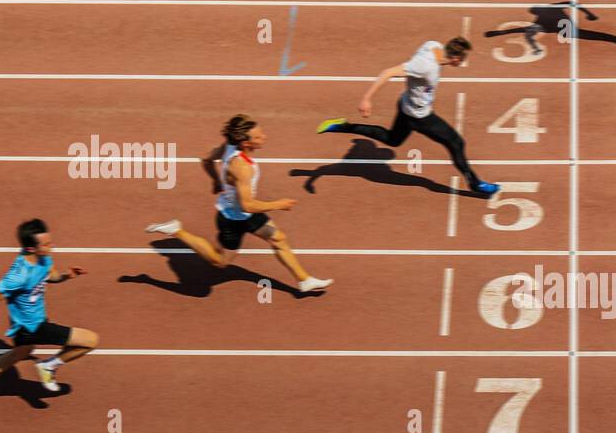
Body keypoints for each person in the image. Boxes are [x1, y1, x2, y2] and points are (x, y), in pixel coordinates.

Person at [145, 115, 333, 292]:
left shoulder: (229, 146)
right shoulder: (242, 168)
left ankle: (304, 280)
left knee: (279, 239)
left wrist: (216, 181)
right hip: (232, 220)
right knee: (220, 262)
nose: (264, 137)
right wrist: (278, 204)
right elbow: (247, 206)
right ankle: (176, 230)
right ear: (246, 143)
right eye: (259, 136)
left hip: (245, 214)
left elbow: (207, 160)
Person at [317, 36, 500, 196]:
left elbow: (411, 65)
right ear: (455, 58)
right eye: (463, 59)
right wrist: (367, 98)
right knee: (456, 142)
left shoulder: (432, 45)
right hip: (419, 117)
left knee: (393, 140)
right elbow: (388, 72)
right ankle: (475, 183)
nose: (463, 62)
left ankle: (342, 126)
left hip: (406, 105)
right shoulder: (424, 66)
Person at [0, 218, 98, 408]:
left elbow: (50, 275)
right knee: (90, 341)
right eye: (47, 244)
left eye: (50, 241)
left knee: (21, 352)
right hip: (31, 327)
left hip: (27, 324)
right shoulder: (18, 276)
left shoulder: (43, 258)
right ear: (31, 249)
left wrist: (67, 275)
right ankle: (48, 366)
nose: (52, 246)